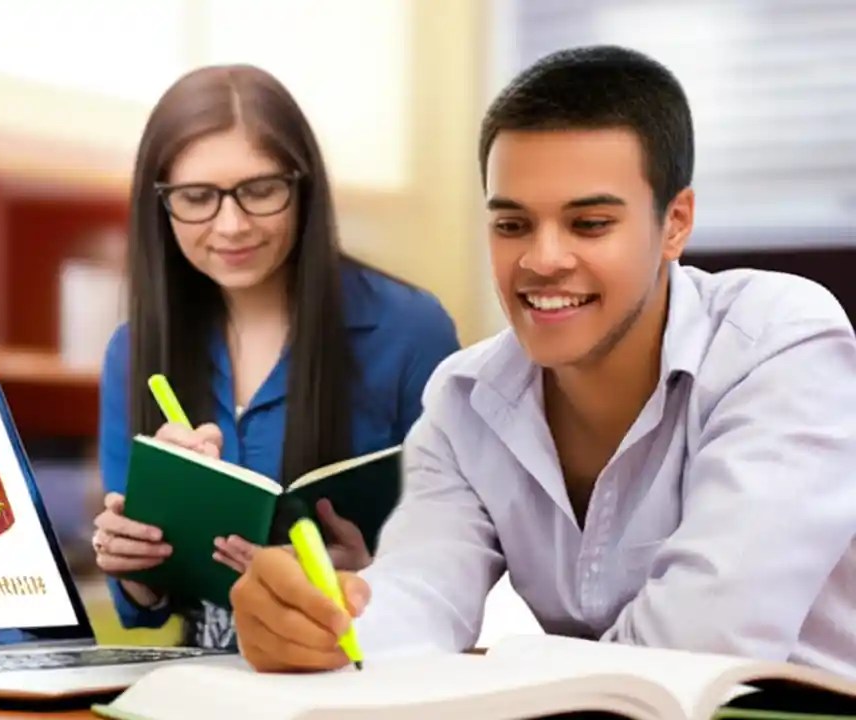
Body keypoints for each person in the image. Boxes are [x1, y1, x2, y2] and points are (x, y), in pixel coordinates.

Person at [229, 45, 856, 676]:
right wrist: (324, 627)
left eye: (590, 224)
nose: (542, 259)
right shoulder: (464, 398)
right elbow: (421, 588)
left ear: (675, 223)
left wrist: (504, 663)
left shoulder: (778, 345)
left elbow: (703, 646)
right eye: (512, 225)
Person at [90, 65, 461, 650]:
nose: (232, 225)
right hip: (203, 680)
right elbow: (143, 607)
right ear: (160, 205)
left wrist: (370, 577)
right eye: (197, 198)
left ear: (303, 187)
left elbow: (459, 558)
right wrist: (131, 563)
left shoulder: (410, 331)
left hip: (357, 671)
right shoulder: (133, 351)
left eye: (260, 191)